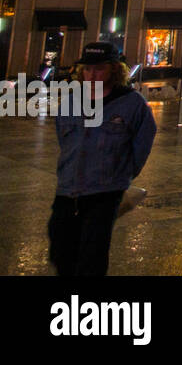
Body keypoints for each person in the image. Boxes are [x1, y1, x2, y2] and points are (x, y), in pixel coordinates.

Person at [48, 41, 157, 277]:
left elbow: (143, 141)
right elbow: (65, 139)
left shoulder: (131, 104)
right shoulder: (72, 100)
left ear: (114, 70)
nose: (92, 74)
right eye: (87, 69)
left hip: (104, 192)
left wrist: (123, 174)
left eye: (99, 69)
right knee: (60, 251)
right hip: (67, 190)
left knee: (92, 258)